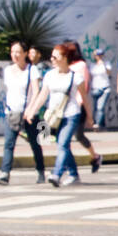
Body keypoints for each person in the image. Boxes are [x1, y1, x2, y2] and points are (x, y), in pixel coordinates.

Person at [25, 44, 90, 187]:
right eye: (52, 56)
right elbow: (43, 95)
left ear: (65, 58)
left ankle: (57, 174)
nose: (52, 59)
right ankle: (74, 175)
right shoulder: (49, 75)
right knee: (64, 146)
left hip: (71, 114)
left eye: (55, 57)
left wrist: (90, 118)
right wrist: (32, 110)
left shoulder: (75, 77)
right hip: (55, 116)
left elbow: (85, 98)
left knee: (62, 144)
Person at [0, 40, 46, 184]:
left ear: (25, 53)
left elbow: (36, 91)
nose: (15, 55)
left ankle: (40, 171)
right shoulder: (8, 71)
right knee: (9, 144)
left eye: (18, 52)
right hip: (12, 113)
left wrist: (30, 110)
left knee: (34, 144)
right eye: (13, 52)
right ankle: (5, 173)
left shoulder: (32, 70)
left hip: (29, 114)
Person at [63, 42, 103, 173]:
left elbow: (83, 87)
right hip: (63, 107)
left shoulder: (81, 65)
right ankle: (93, 157)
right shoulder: (65, 66)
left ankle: (93, 156)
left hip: (77, 106)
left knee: (76, 135)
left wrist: (81, 105)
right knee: (68, 137)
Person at [88, 48, 111, 130]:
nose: (99, 57)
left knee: (100, 107)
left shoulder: (107, 63)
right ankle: (102, 125)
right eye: (97, 55)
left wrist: (103, 65)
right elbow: (90, 77)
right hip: (95, 88)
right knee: (96, 108)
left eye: (100, 55)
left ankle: (97, 124)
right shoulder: (92, 65)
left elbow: (109, 73)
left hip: (105, 88)